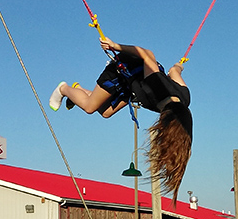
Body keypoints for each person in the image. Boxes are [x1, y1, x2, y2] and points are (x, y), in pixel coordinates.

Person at [49, 37, 192, 203]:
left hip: (134, 84)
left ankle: (78, 90)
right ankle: (64, 89)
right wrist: (116, 46)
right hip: (125, 69)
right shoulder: (158, 88)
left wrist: (180, 65)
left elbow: (174, 71)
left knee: (106, 112)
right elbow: (147, 54)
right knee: (89, 107)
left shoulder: (185, 99)